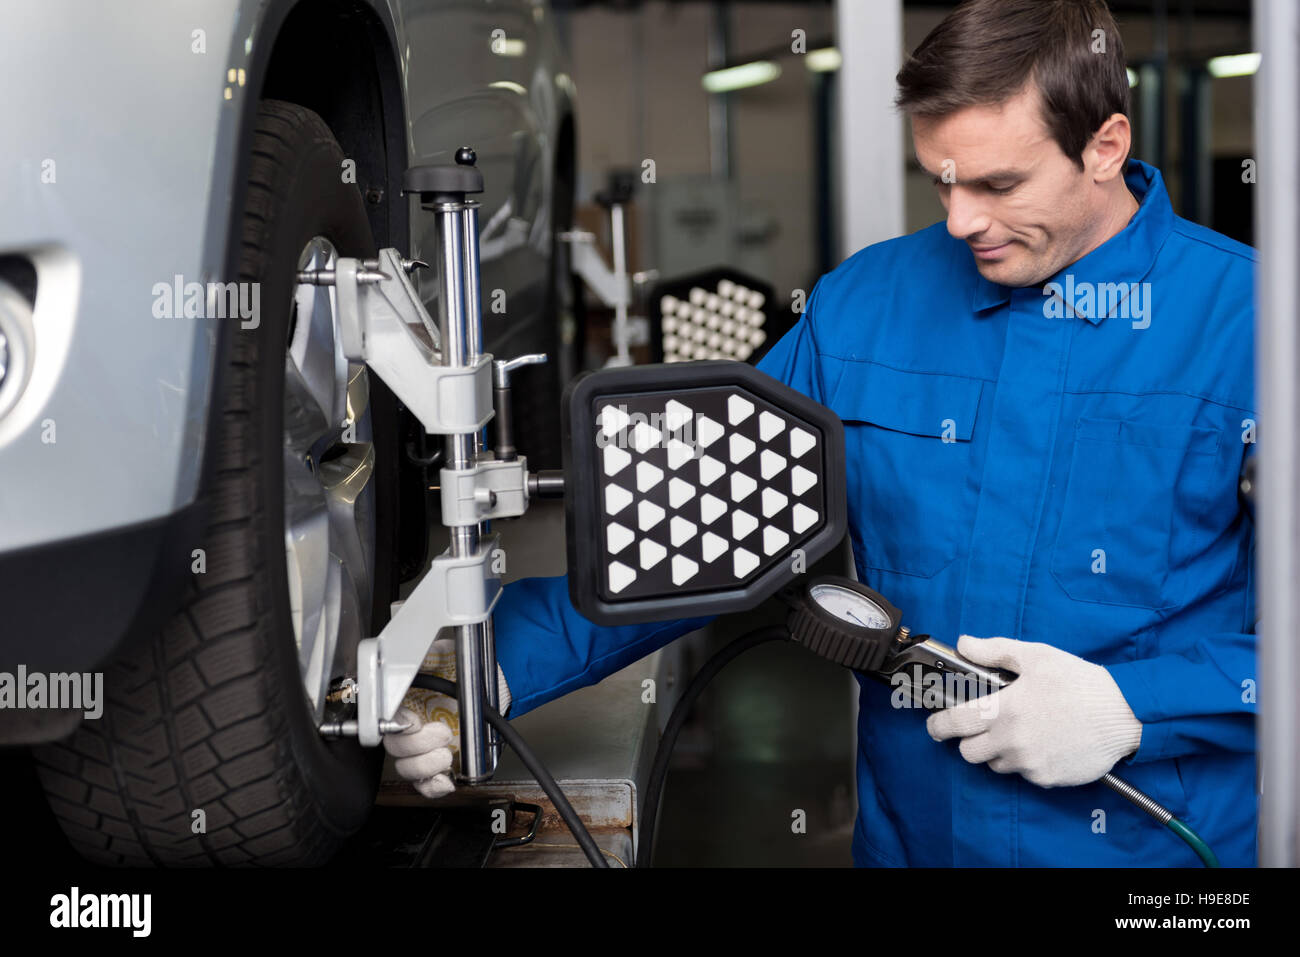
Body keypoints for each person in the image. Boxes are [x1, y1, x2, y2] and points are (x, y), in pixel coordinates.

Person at [387, 0, 1257, 866]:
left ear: (1105, 146)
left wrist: (1135, 706)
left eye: (998, 185)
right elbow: (699, 520)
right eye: (941, 179)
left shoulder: (1249, 322)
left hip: (1156, 860)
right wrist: (487, 669)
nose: (960, 221)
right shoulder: (865, 307)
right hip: (913, 846)